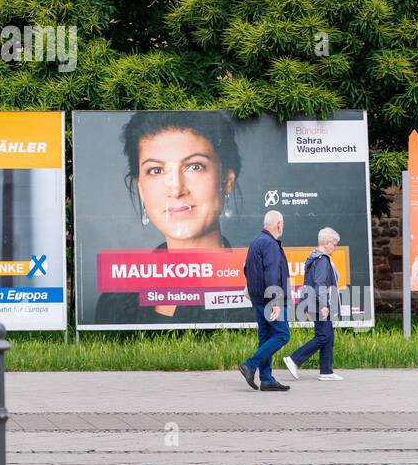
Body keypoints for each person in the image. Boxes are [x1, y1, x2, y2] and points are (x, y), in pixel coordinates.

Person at [94, 111, 246, 325]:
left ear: (226, 180)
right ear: (141, 189)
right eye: (156, 170)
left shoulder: (256, 293)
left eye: (195, 166)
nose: (176, 189)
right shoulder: (115, 302)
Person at [238, 210, 291, 391]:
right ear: (279, 224)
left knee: (266, 337)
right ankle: (250, 365)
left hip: (259, 299)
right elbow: (271, 272)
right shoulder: (270, 244)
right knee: (283, 334)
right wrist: (275, 300)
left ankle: (267, 379)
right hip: (271, 299)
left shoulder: (256, 242)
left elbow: (246, 270)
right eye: (282, 223)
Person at [284, 227, 345, 381]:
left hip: (314, 301)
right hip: (319, 303)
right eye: (334, 244)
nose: (335, 248)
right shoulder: (322, 260)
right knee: (323, 336)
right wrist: (324, 305)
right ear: (326, 242)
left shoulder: (314, 257)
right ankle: (294, 359)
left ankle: (326, 371)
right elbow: (320, 283)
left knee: (328, 336)